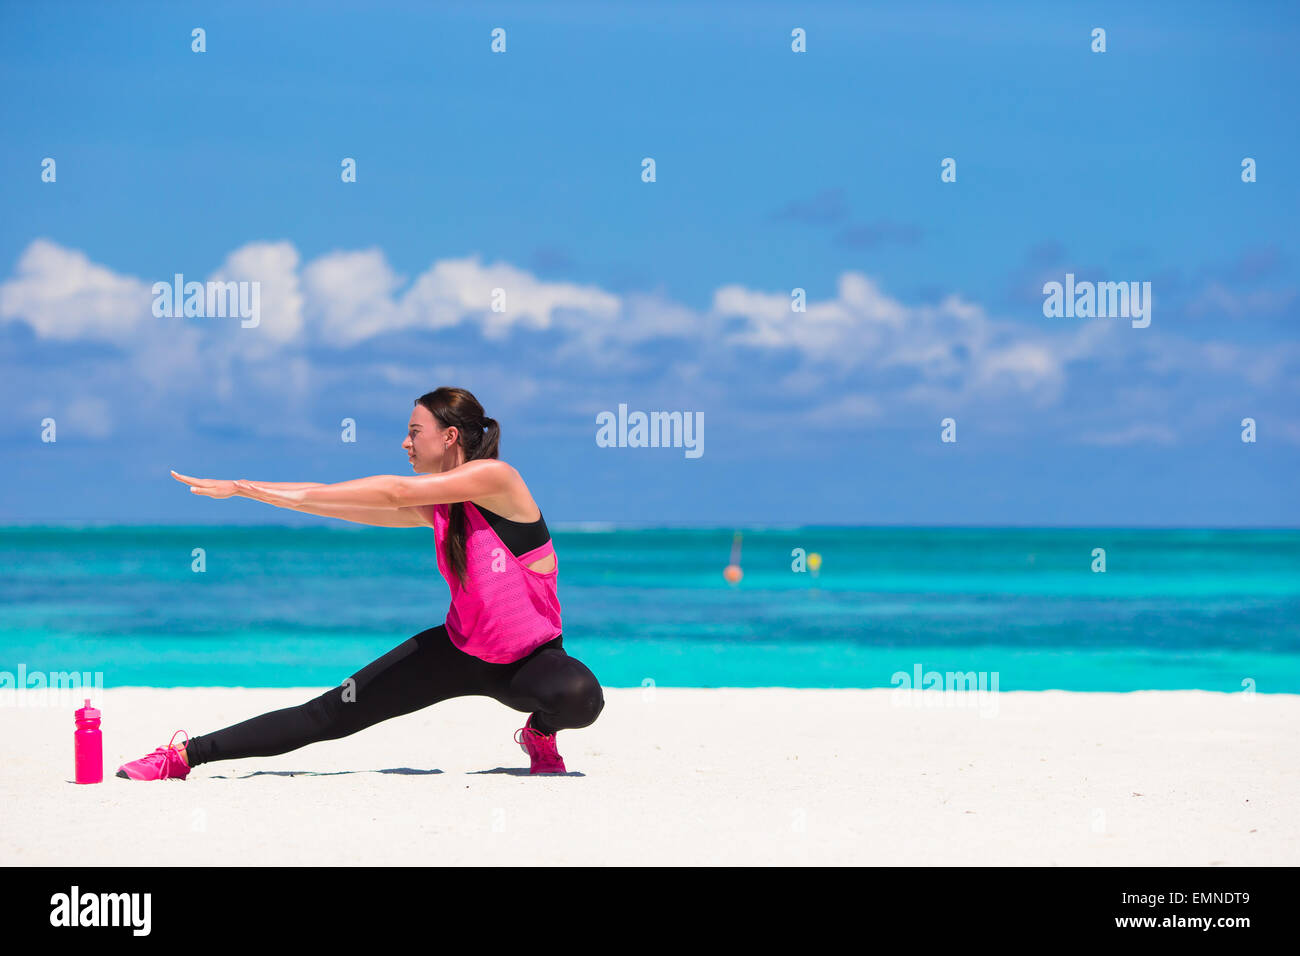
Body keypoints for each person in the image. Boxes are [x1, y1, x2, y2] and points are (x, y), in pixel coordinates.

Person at [116, 386, 604, 780]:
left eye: (415, 432)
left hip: (530, 664)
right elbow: (334, 500)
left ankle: (540, 733)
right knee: (329, 715)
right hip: (458, 652)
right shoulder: (438, 510)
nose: (405, 443)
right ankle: (183, 755)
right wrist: (251, 491)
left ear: (451, 436)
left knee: (581, 694)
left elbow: (392, 490)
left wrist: (250, 488)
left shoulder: (498, 480)